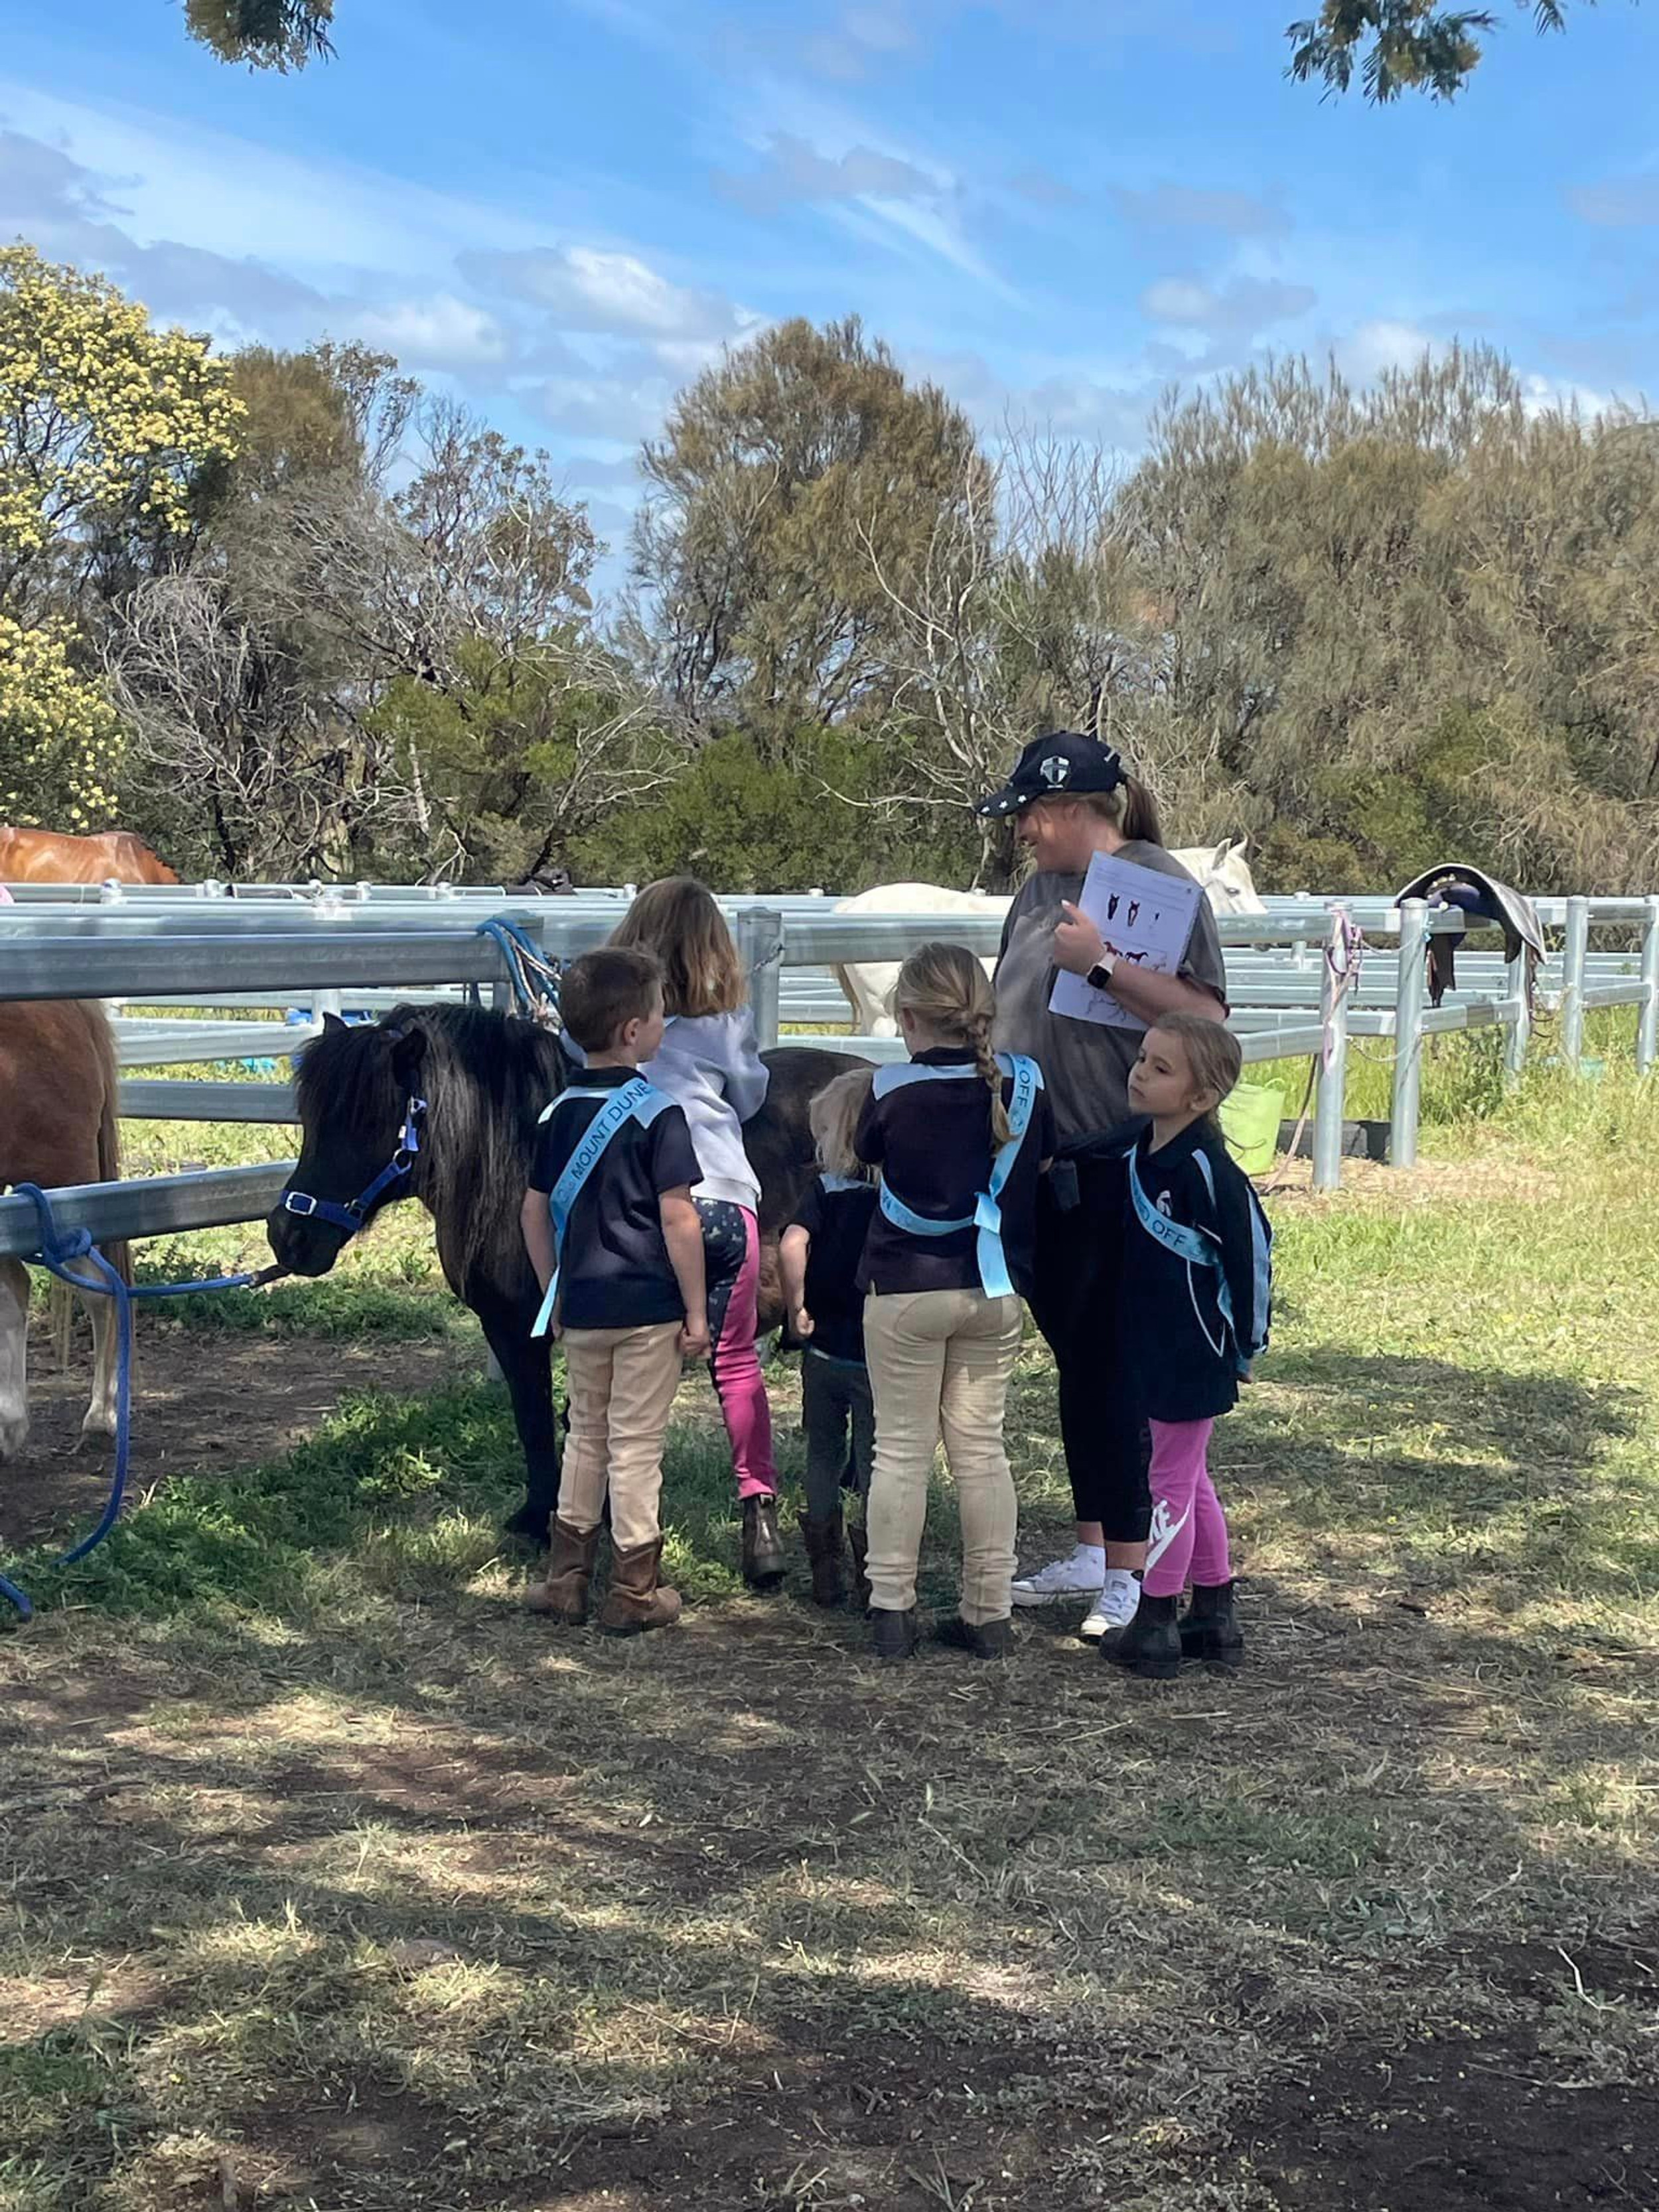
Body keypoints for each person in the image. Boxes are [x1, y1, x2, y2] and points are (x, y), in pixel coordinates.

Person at [979, 732, 1230, 1639]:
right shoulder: (1037, 894)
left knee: (1120, 1365)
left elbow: (1207, 1017)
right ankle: (1097, 1543)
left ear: (1069, 811)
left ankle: (1136, 1564)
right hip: (1039, 1155)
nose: (1023, 837)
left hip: (1118, 1154)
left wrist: (1104, 967)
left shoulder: (1160, 886)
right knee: (1080, 1360)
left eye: (1030, 820)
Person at [853, 943, 1054, 1662]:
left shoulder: (889, 1089)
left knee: (901, 1452)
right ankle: (987, 1612)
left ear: (908, 1015)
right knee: (980, 1450)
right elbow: (1043, 1164)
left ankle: (891, 1609)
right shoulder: (1024, 1085)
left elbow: (863, 1152)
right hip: (994, 1289)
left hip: (905, 1286)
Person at [520, 946, 709, 1635]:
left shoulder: (554, 1115)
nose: (665, 1025)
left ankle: (565, 1580)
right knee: (635, 1445)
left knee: (585, 1438)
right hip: (649, 1308)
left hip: (586, 1305)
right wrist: (695, 1309)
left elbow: (534, 1211)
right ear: (633, 1031)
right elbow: (678, 1217)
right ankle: (633, 1589)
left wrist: (553, 1291)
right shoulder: (659, 1113)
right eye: (660, 1015)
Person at [1076, 1015, 1272, 1677]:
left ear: (1202, 1097)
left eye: (1162, 1068)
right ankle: (1214, 1614)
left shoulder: (1206, 1171)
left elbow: (1249, 1262)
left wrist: (1245, 1345)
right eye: (1142, 1059)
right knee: (1190, 1480)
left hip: (1193, 1350)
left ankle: (1156, 1620)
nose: (1139, 1072)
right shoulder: (1142, 1151)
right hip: (1150, 1344)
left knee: (1166, 1486)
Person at [609, 879, 786, 1590]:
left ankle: (617, 1527)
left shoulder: (612, 1025)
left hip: (641, 1208)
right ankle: (760, 1514)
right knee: (736, 1362)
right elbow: (751, 1097)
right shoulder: (725, 1023)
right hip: (725, 1202)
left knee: (634, 1368)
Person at [780, 1068, 879, 1608]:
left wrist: (797, 1305)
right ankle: (873, 1573)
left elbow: (793, 1242)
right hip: (877, 1351)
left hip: (822, 1347)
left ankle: (824, 1571)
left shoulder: (824, 1190)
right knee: (874, 1460)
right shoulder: (891, 1193)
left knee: (821, 1452)